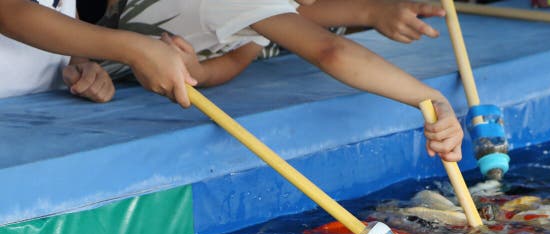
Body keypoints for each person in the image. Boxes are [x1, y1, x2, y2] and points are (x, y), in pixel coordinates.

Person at [100, 0, 463, 161]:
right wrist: (430, 99)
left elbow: (239, 57)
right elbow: (330, 51)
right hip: (81, 70)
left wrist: (200, 72)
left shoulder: (262, 11)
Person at [0, 0, 195, 105]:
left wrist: (79, 61)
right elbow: (8, 11)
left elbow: (60, 7)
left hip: (38, 111)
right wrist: (136, 50)